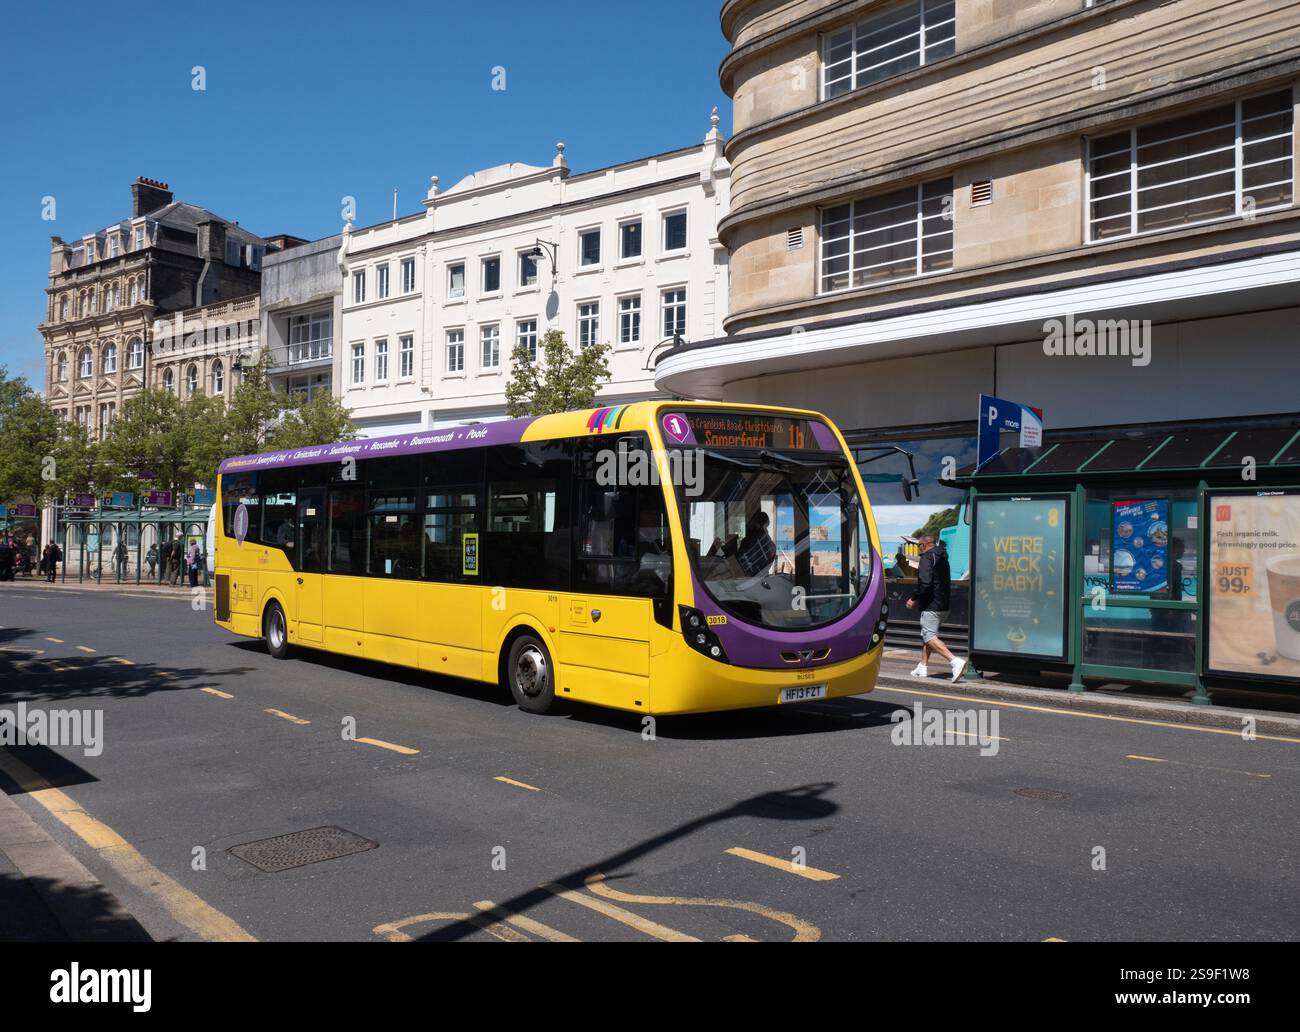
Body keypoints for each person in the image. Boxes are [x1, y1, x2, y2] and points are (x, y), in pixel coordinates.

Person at [906, 533, 966, 681]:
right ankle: (922, 667)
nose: (919, 549)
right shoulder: (943, 557)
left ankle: (955, 661)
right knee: (929, 635)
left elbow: (925, 583)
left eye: (919, 546)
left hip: (931, 604)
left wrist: (913, 598)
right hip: (944, 603)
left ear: (925, 545)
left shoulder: (927, 558)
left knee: (929, 636)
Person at [737, 511, 777, 577]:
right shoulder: (772, 547)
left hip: (744, 579)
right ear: (766, 525)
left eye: (752, 523)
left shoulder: (749, 539)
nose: (749, 525)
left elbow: (739, 561)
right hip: (759, 581)